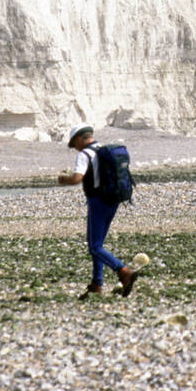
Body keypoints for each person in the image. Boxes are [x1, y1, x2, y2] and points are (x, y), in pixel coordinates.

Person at [57, 124, 136, 300]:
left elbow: (77, 179)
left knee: (94, 246)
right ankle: (96, 284)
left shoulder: (84, 154)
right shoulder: (103, 150)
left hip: (98, 201)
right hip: (113, 199)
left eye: (73, 144)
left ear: (79, 139)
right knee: (98, 245)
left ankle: (123, 271)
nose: (74, 148)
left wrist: (63, 179)